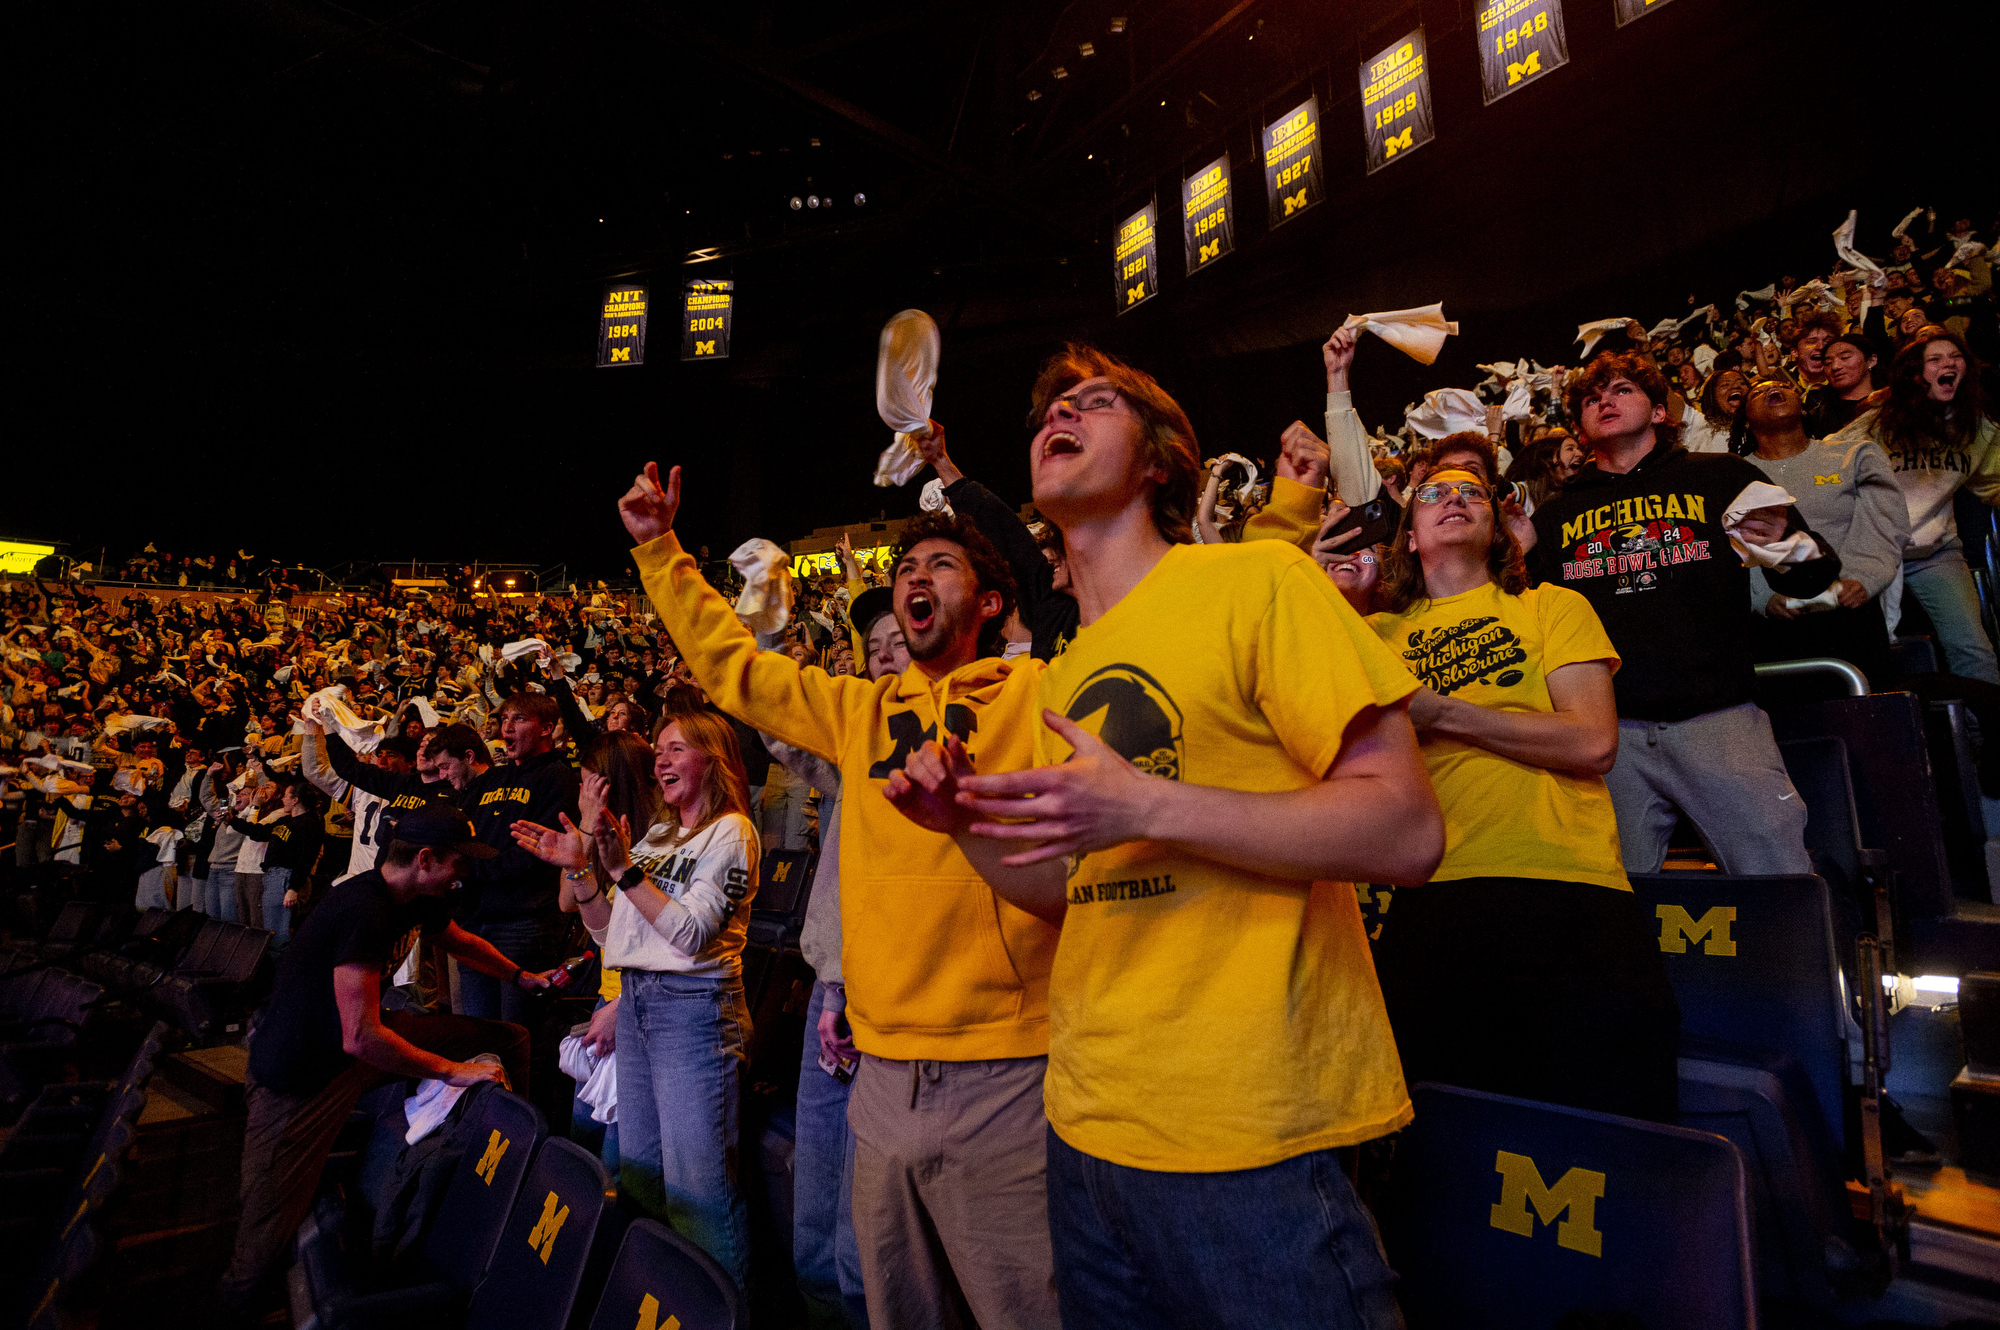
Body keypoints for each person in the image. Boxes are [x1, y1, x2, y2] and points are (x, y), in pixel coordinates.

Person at [882, 345, 1442, 1330]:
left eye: (1094, 403)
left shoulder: (1256, 582)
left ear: (1157, 462)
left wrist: (1147, 806)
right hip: (1086, 1130)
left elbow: (1403, 828)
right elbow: (1073, 890)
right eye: (1050, 406)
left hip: (1247, 1137)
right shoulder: (1065, 670)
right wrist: (962, 827)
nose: (1059, 412)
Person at [620, 467, 1064, 1330]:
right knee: (891, 1308)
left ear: (991, 603)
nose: (915, 580)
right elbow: (734, 669)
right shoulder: (855, 714)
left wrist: (956, 479)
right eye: (905, 571)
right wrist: (660, 551)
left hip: (1006, 1071)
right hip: (881, 1068)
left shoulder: (1042, 698)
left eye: (941, 565)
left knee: (1028, 1312)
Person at [1359, 435, 1680, 1121]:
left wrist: (1439, 712)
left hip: (1567, 884)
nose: (1453, 498)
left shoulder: (1553, 608)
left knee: (1608, 1127)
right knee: (1449, 1138)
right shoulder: (1378, 635)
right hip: (1434, 892)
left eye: (1471, 492)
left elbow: (1591, 742)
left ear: (1500, 526)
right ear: (1409, 537)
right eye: (1433, 494)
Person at [216, 804, 553, 1322]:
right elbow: (361, 1038)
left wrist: (519, 976)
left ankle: (509, 1170)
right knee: (260, 1247)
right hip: (304, 1078)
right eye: (459, 863)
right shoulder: (362, 909)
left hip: (357, 1048)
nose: (465, 874)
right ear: (425, 858)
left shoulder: (417, 897)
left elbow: (460, 942)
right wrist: (449, 1069)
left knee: (509, 1039)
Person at [1524, 352, 1840, 874]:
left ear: (1659, 412)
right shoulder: (1556, 515)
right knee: (1615, 901)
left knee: (1777, 881)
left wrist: (1786, 541)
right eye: (1590, 398)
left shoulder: (1723, 476)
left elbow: (1815, 576)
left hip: (1719, 720)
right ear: (1579, 425)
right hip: (1610, 735)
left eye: (1622, 390)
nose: (1604, 400)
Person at [512, 708, 760, 1285]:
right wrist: (581, 870)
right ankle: (654, 1299)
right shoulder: (658, 835)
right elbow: (609, 935)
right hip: (641, 1002)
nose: (660, 759)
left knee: (700, 1193)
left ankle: (719, 1314)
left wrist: (623, 870)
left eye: (675, 749)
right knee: (643, 1179)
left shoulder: (732, 832)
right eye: (658, 750)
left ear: (712, 759)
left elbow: (691, 933)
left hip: (695, 1011)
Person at [765, 592, 909, 1330]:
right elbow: (786, 731)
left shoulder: (938, 750)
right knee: (815, 1197)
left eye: (899, 639)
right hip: (832, 993)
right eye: (874, 642)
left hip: (888, 1008)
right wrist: (767, 635)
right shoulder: (854, 749)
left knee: (864, 1226)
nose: (883, 651)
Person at [1834, 327, 2000, 682]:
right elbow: (1827, 467)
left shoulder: (1978, 429)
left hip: (1935, 552)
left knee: (1972, 647)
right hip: (1871, 553)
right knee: (1871, 652)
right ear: (1914, 373)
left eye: (1955, 357)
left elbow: (1995, 483)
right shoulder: (1878, 423)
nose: (1949, 364)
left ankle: (1984, 732)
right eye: (1935, 359)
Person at [1740, 377, 1909, 687]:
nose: (1771, 390)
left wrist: (1862, 579)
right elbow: (1733, 544)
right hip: (1777, 619)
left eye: (1782, 385)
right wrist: (1763, 597)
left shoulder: (1856, 454)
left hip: (1852, 608)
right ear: (1746, 420)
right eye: (1757, 392)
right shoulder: (1733, 473)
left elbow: (1884, 522)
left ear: (1803, 407)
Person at [454, 693, 580, 1023]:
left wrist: (471, 868)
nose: (507, 727)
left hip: (524, 923)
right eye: (505, 719)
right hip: (475, 920)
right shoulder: (490, 780)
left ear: (546, 729)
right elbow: (459, 833)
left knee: (518, 1031)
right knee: (479, 1029)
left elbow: (539, 853)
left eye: (519, 719)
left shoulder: (557, 776)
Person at [224, 774, 324, 952]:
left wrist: (293, 888)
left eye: (286, 796)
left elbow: (306, 858)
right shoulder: (285, 820)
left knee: (279, 933)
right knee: (271, 928)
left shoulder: (309, 823)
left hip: (285, 878)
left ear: (295, 800)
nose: (283, 799)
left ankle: (280, 973)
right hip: (272, 877)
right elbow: (258, 832)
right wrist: (231, 819)